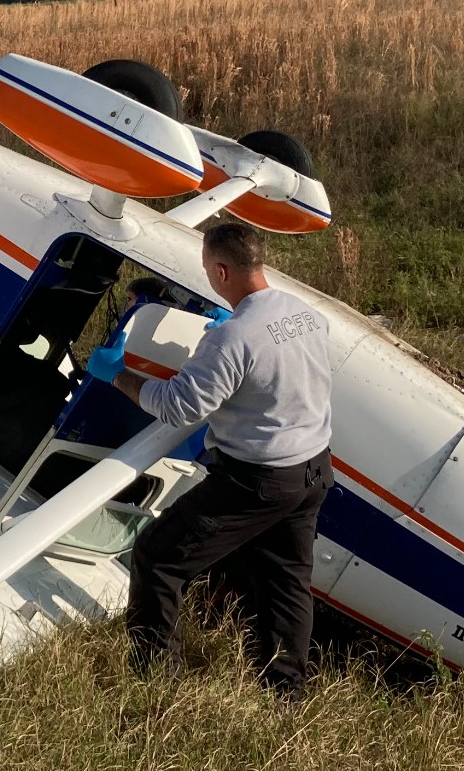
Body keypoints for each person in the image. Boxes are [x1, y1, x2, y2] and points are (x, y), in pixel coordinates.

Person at [86, 221, 334, 697]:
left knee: (158, 557)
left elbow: (181, 406)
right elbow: (274, 370)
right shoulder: (303, 313)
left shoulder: (233, 339)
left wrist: (118, 376)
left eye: (207, 270)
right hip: (313, 469)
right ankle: (286, 694)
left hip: (257, 481)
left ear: (221, 270)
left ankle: (156, 680)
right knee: (287, 583)